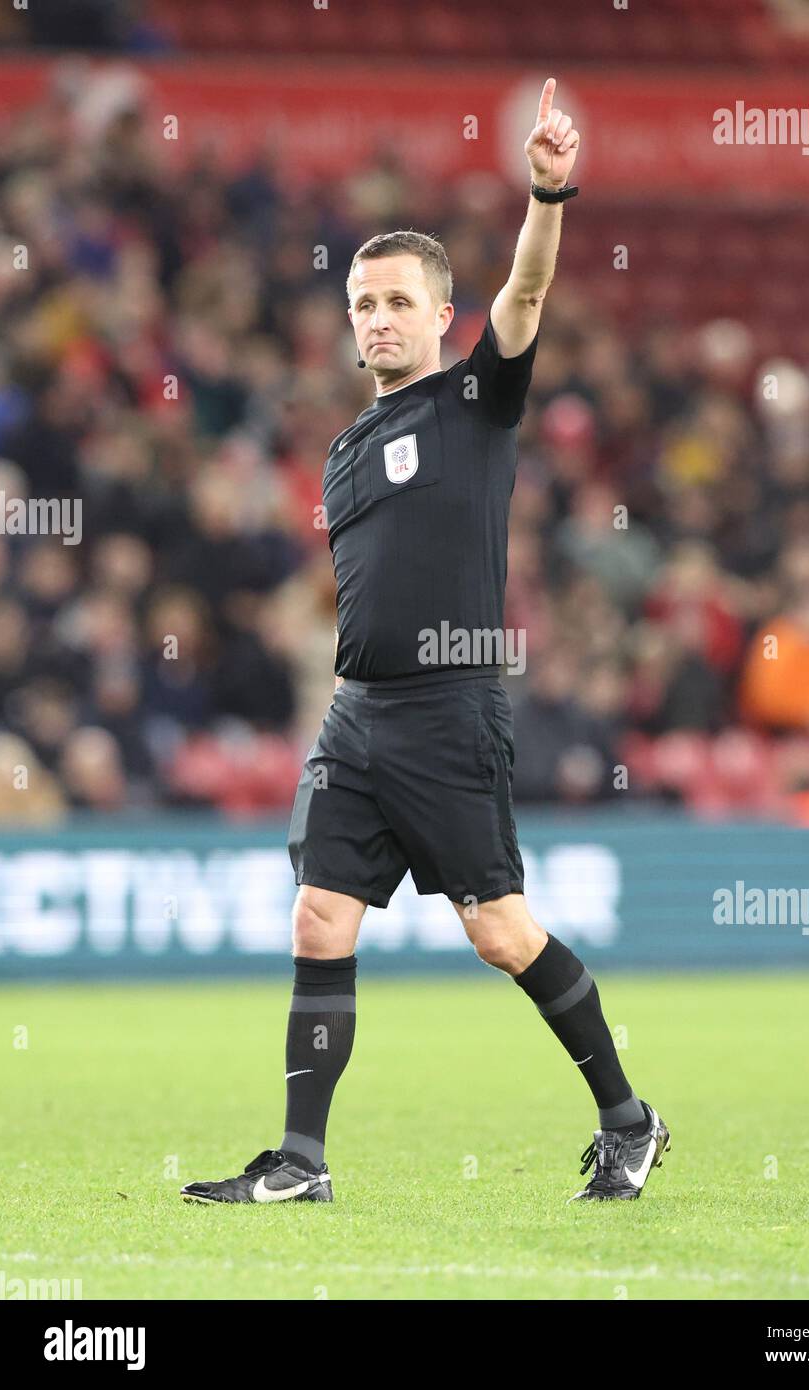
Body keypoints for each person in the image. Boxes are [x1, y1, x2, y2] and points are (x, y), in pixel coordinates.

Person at [181, 79, 670, 1208]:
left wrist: (548, 191)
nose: (377, 318)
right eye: (362, 302)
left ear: (440, 316)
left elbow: (530, 284)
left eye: (398, 300)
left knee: (498, 931)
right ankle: (301, 1160)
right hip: (359, 713)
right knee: (316, 913)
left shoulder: (474, 404)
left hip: (452, 709)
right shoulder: (345, 450)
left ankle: (628, 1119)